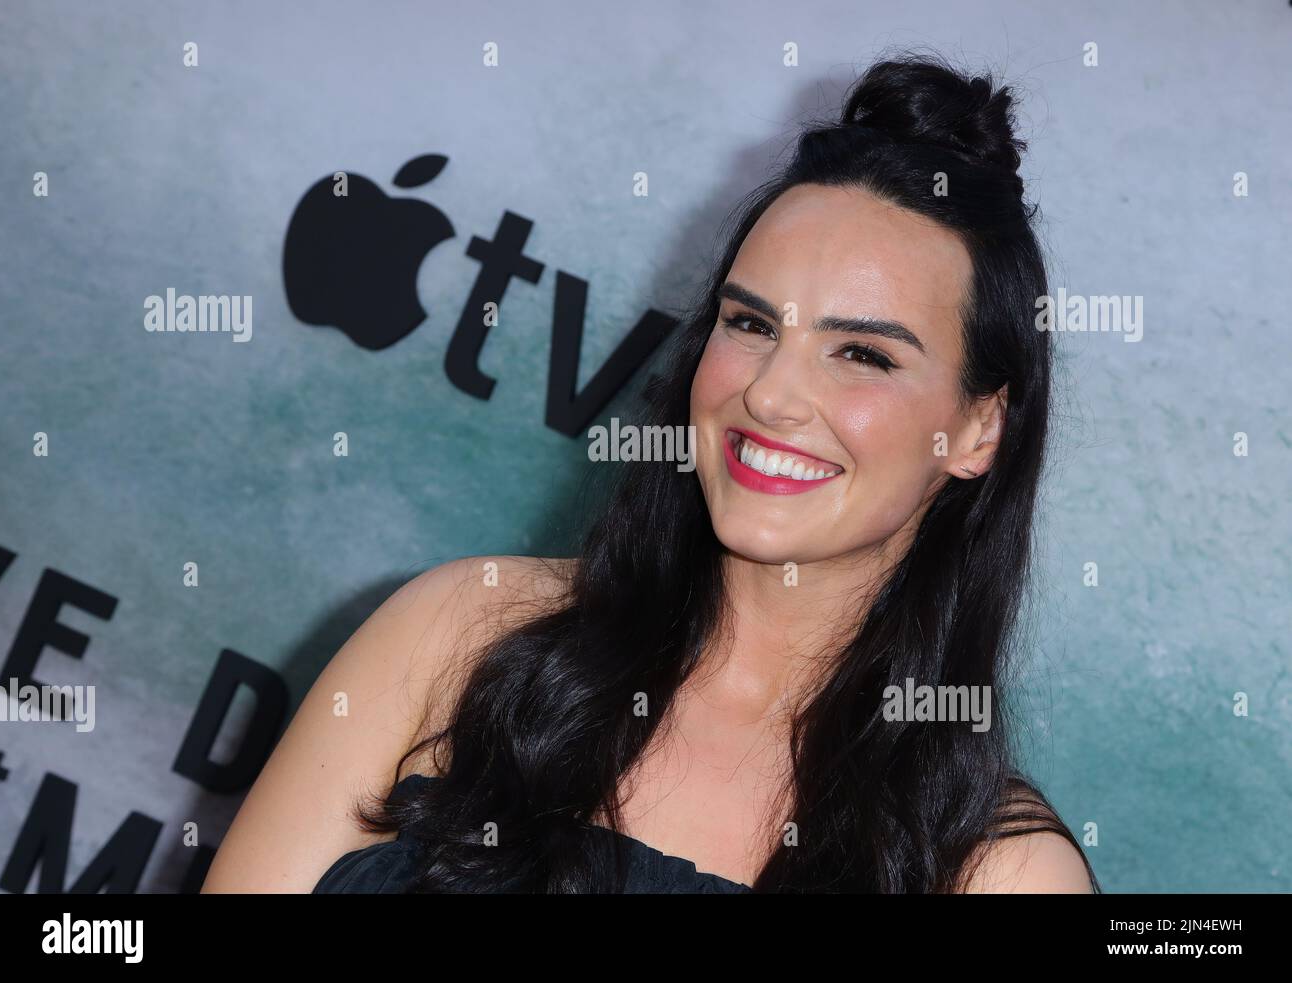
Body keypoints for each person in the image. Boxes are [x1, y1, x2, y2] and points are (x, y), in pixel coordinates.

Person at [202, 51, 1099, 894]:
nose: (773, 395)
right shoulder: (456, 636)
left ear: (980, 426)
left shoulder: (999, 871)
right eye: (750, 325)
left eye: (861, 352)